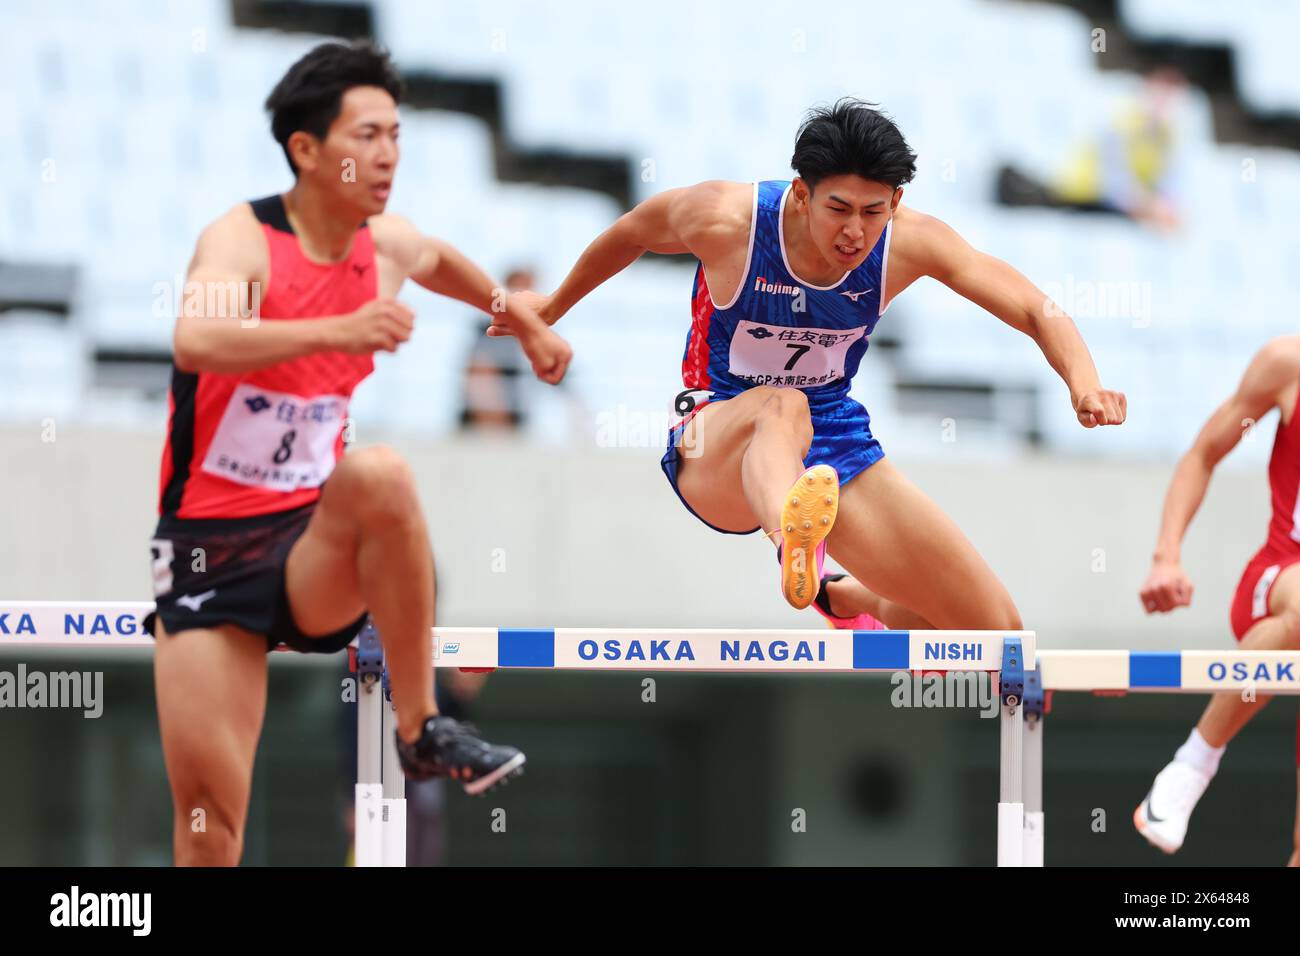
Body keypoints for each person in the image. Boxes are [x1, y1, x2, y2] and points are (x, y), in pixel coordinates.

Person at [144, 40, 571, 865]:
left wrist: (520, 318)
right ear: (306, 150)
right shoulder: (243, 239)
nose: (387, 156)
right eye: (365, 137)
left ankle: (422, 729)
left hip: (313, 546)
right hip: (211, 553)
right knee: (209, 825)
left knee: (381, 475)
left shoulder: (387, 247)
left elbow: (440, 260)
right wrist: (340, 329)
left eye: (396, 135)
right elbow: (198, 338)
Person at [492, 98, 1125, 630]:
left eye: (874, 212)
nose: (856, 232)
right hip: (716, 437)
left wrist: (1083, 380)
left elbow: (1035, 307)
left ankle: (847, 596)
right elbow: (631, 231)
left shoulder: (910, 243)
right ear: (801, 194)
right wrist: (553, 304)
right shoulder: (726, 219)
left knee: (995, 633)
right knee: (780, 403)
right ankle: (793, 547)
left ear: (895, 204)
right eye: (839, 209)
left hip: (832, 444)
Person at [1135, 336, 1300, 865]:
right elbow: (1204, 454)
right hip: (1278, 586)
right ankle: (1194, 763)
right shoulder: (1287, 365)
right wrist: (1166, 556)